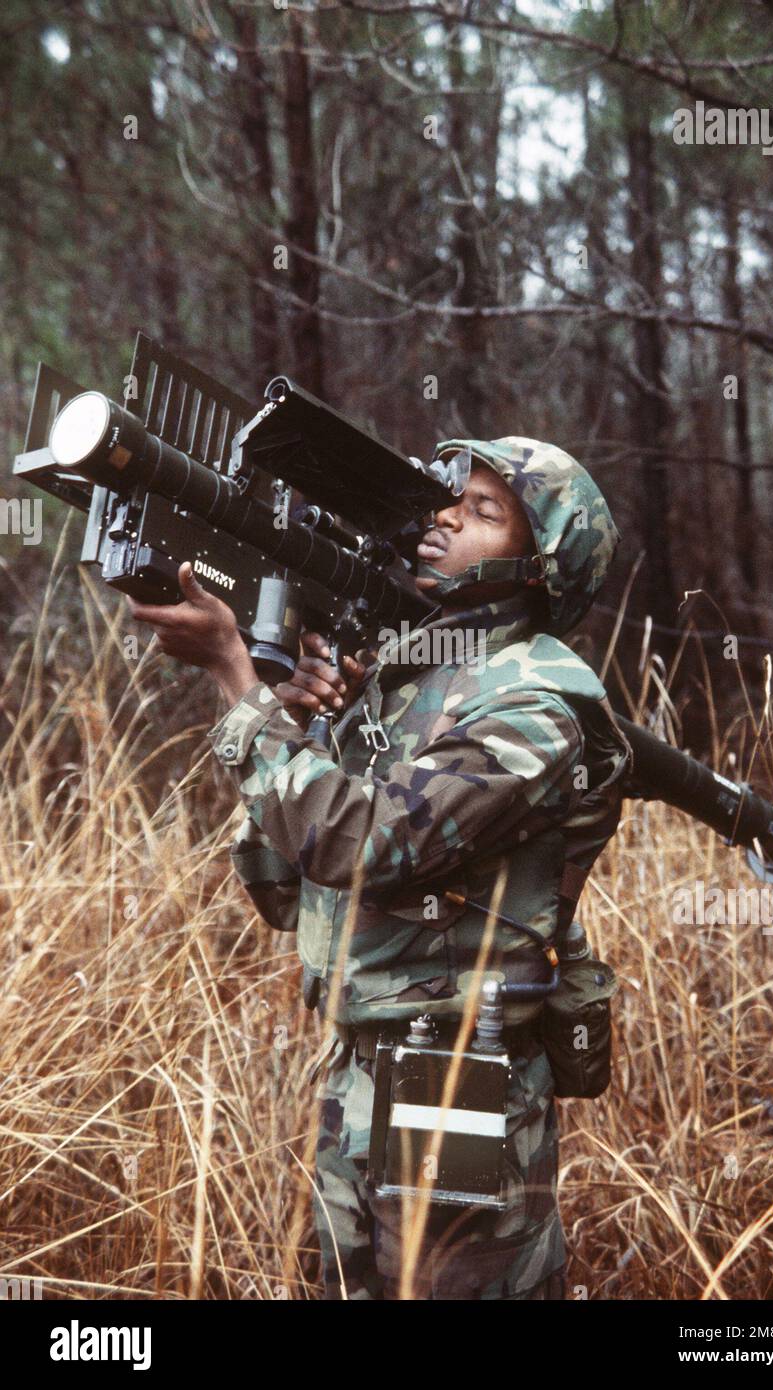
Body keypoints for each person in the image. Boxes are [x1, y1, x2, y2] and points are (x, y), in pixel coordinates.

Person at [127, 434, 632, 1300]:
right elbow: (286, 891)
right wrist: (293, 719)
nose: (443, 517)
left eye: (482, 512)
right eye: (451, 499)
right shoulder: (408, 684)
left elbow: (364, 850)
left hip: (458, 1083)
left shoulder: (534, 702)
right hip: (359, 1073)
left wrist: (236, 685)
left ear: (537, 566)